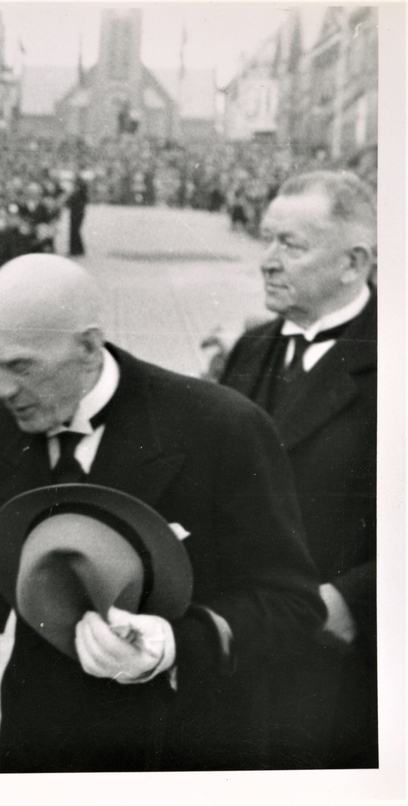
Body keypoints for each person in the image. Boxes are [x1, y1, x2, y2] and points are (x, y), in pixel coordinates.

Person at [0, 254, 326, 772]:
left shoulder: (222, 429)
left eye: (21, 366)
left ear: (88, 347)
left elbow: (291, 602)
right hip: (43, 738)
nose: (2, 389)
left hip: (182, 744)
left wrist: (173, 645)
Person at [218, 171, 377, 768]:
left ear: (352, 262)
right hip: (241, 647)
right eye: (267, 240)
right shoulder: (251, 348)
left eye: (291, 245)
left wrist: (358, 601)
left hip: (337, 668)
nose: (267, 261)